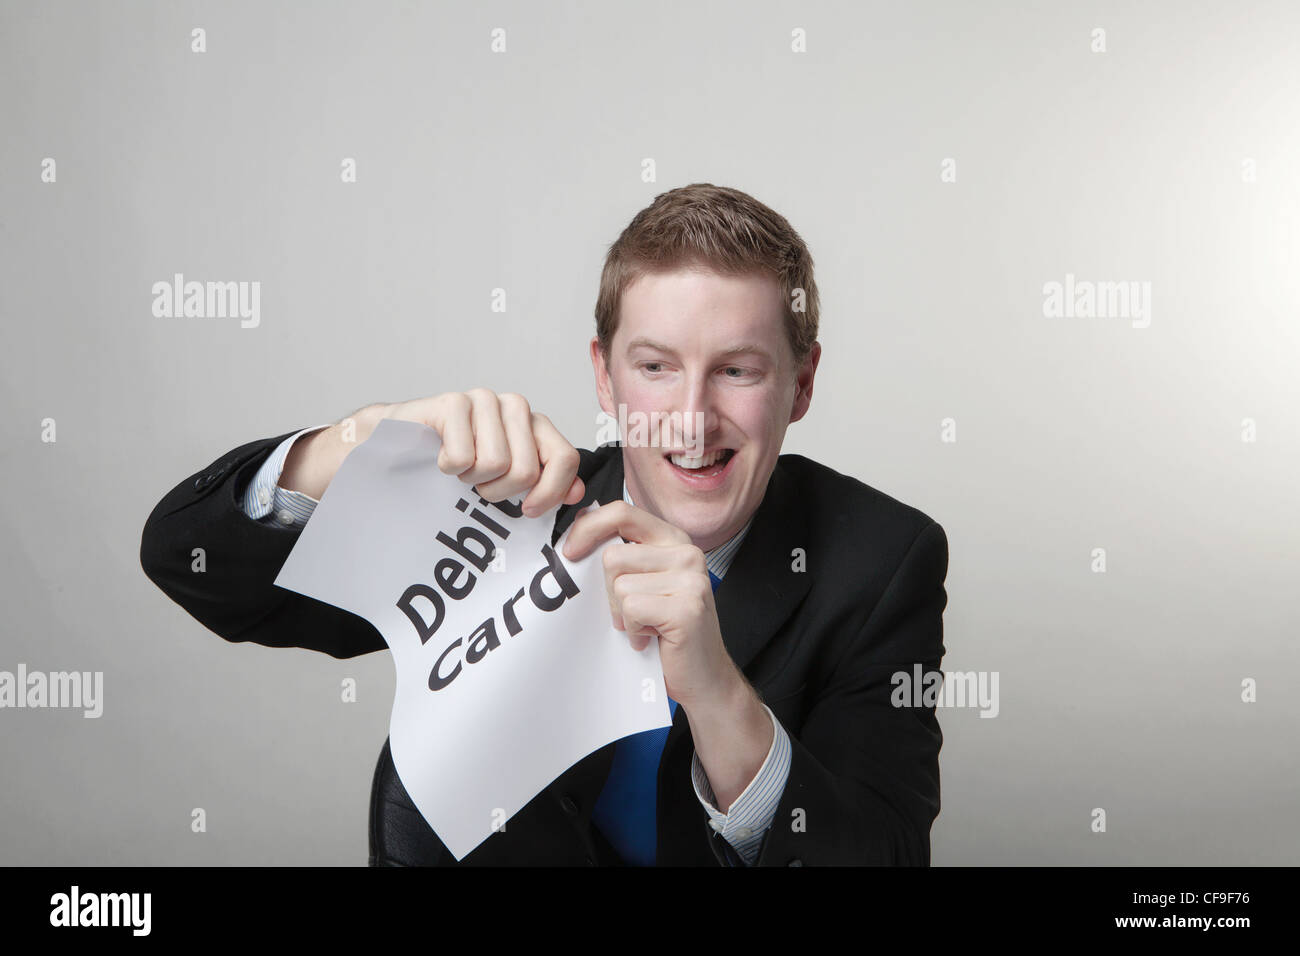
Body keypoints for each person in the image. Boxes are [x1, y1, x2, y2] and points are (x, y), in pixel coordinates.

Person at [140, 183, 949, 866]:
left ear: (801, 386)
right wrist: (363, 443)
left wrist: (716, 695)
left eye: (738, 370)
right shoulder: (504, 504)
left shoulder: (879, 560)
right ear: (604, 374)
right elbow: (192, 560)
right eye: (656, 367)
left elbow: (881, 850)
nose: (690, 419)